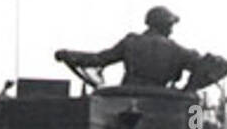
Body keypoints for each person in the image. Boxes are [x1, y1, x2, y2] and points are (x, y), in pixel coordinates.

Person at [55, 6, 203, 89]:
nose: (172, 30)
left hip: (125, 100)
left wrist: (69, 55)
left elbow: (99, 59)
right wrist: (189, 89)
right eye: (171, 26)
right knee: (195, 106)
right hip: (165, 102)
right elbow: (209, 67)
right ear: (166, 25)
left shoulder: (130, 42)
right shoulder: (178, 51)